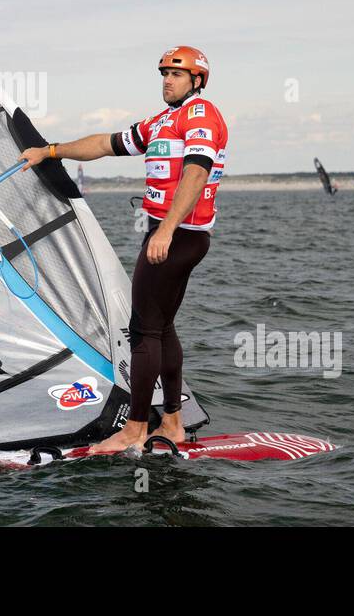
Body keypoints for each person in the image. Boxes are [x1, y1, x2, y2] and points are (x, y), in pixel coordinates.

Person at [19, 46, 227, 453]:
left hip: (178, 235)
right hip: (170, 233)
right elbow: (103, 144)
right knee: (161, 326)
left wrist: (165, 231)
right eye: (164, 73)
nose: (168, 80)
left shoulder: (201, 115)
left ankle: (134, 429)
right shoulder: (161, 122)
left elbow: (197, 171)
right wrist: (51, 151)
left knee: (143, 330)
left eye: (177, 75)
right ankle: (172, 422)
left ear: (197, 81)